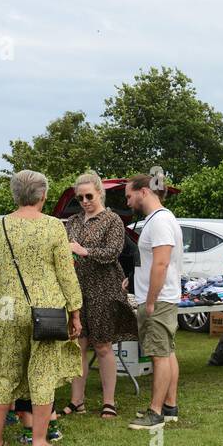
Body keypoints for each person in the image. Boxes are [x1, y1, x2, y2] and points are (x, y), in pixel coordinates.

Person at [0, 170, 82, 446]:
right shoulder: (54, 227)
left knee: (1, 370)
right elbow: (66, 273)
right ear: (43, 195)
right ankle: (39, 442)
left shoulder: (0, 226)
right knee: (43, 373)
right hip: (46, 308)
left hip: (8, 308)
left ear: (15, 195)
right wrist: (75, 311)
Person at [63, 171, 137, 419]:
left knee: (103, 346)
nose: (84, 201)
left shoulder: (112, 220)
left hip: (104, 289)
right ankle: (77, 401)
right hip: (78, 290)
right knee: (78, 345)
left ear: (100, 194)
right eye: (80, 197)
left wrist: (84, 251)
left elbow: (113, 252)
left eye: (89, 196)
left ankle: (109, 402)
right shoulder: (72, 222)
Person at [125, 174, 183, 431]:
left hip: (158, 300)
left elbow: (161, 263)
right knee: (167, 352)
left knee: (159, 355)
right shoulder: (159, 220)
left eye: (129, 195)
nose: (127, 202)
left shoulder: (160, 222)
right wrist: (133, 280)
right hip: (162, 298)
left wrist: (149, 301)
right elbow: (151, 262)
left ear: (144, 191)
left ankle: (155, 413)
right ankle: (170, 406)